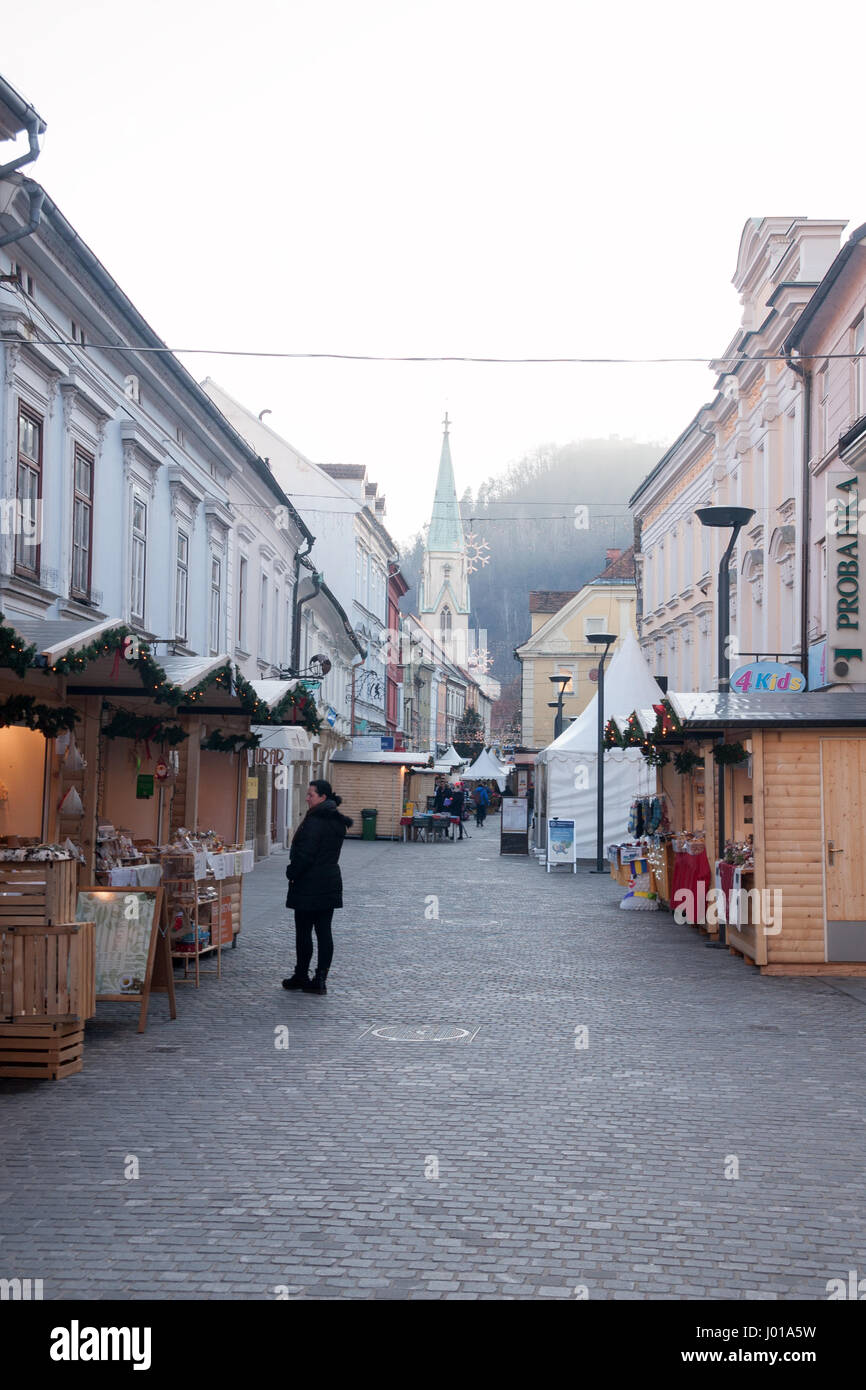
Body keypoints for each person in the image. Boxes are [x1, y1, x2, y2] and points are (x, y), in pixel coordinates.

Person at [283, 779, 352, 995]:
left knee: (303, 931)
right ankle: (320, 977)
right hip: (329, 881)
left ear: (322, 797)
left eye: (310, 794)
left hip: (309, 883)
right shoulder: (336, 820)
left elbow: (306, 854)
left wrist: (291, 872)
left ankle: (302, 974)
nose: (307, 798)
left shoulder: (315, 821)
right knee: (324, 932)